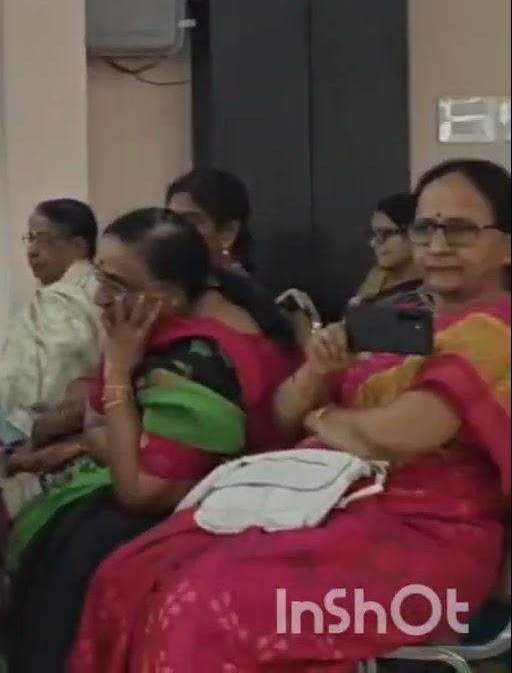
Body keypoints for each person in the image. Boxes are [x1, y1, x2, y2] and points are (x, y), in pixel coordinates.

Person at [70, 158, 511, 672]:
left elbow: (388, 437)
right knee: (129, 575)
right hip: (330, 508)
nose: (436, 246)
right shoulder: (400, 313)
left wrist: (321, 413)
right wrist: (316, 375)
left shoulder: (495, 332)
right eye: (425, 227)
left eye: (459, 230)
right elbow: (281, 418)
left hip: (428, 551)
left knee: (202, 608)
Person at [0, 208, 298, 672]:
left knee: (70, 557)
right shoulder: (168, 325)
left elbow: (139, 487)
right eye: (100, 276)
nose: (100, 297)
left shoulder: (200, 360)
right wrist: (92, 439)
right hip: (155, 489)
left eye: (116, 285)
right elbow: (109, 430)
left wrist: (117, 369)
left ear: (169, 298)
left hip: (194, 518)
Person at [0, 198, 105, 670]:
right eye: (29, 239)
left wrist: (16, 435)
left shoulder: (62, 307)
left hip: (69, 439)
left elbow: (36, 395)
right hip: (64, 430)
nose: (33, 251)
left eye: (44, 239)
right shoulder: (85, 298)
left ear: (78, 246)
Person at [165, 168, 256, 273]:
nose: (173, 230)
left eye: (190, 221)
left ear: (228, 232)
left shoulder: (240, 288)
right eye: (170, 219)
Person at [352, 192, 423, 306]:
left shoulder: (431, 292)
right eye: (374, 234)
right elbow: (354, 311)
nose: (373, 243)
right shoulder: (377, 276)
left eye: (385, 233)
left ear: (414, 233)